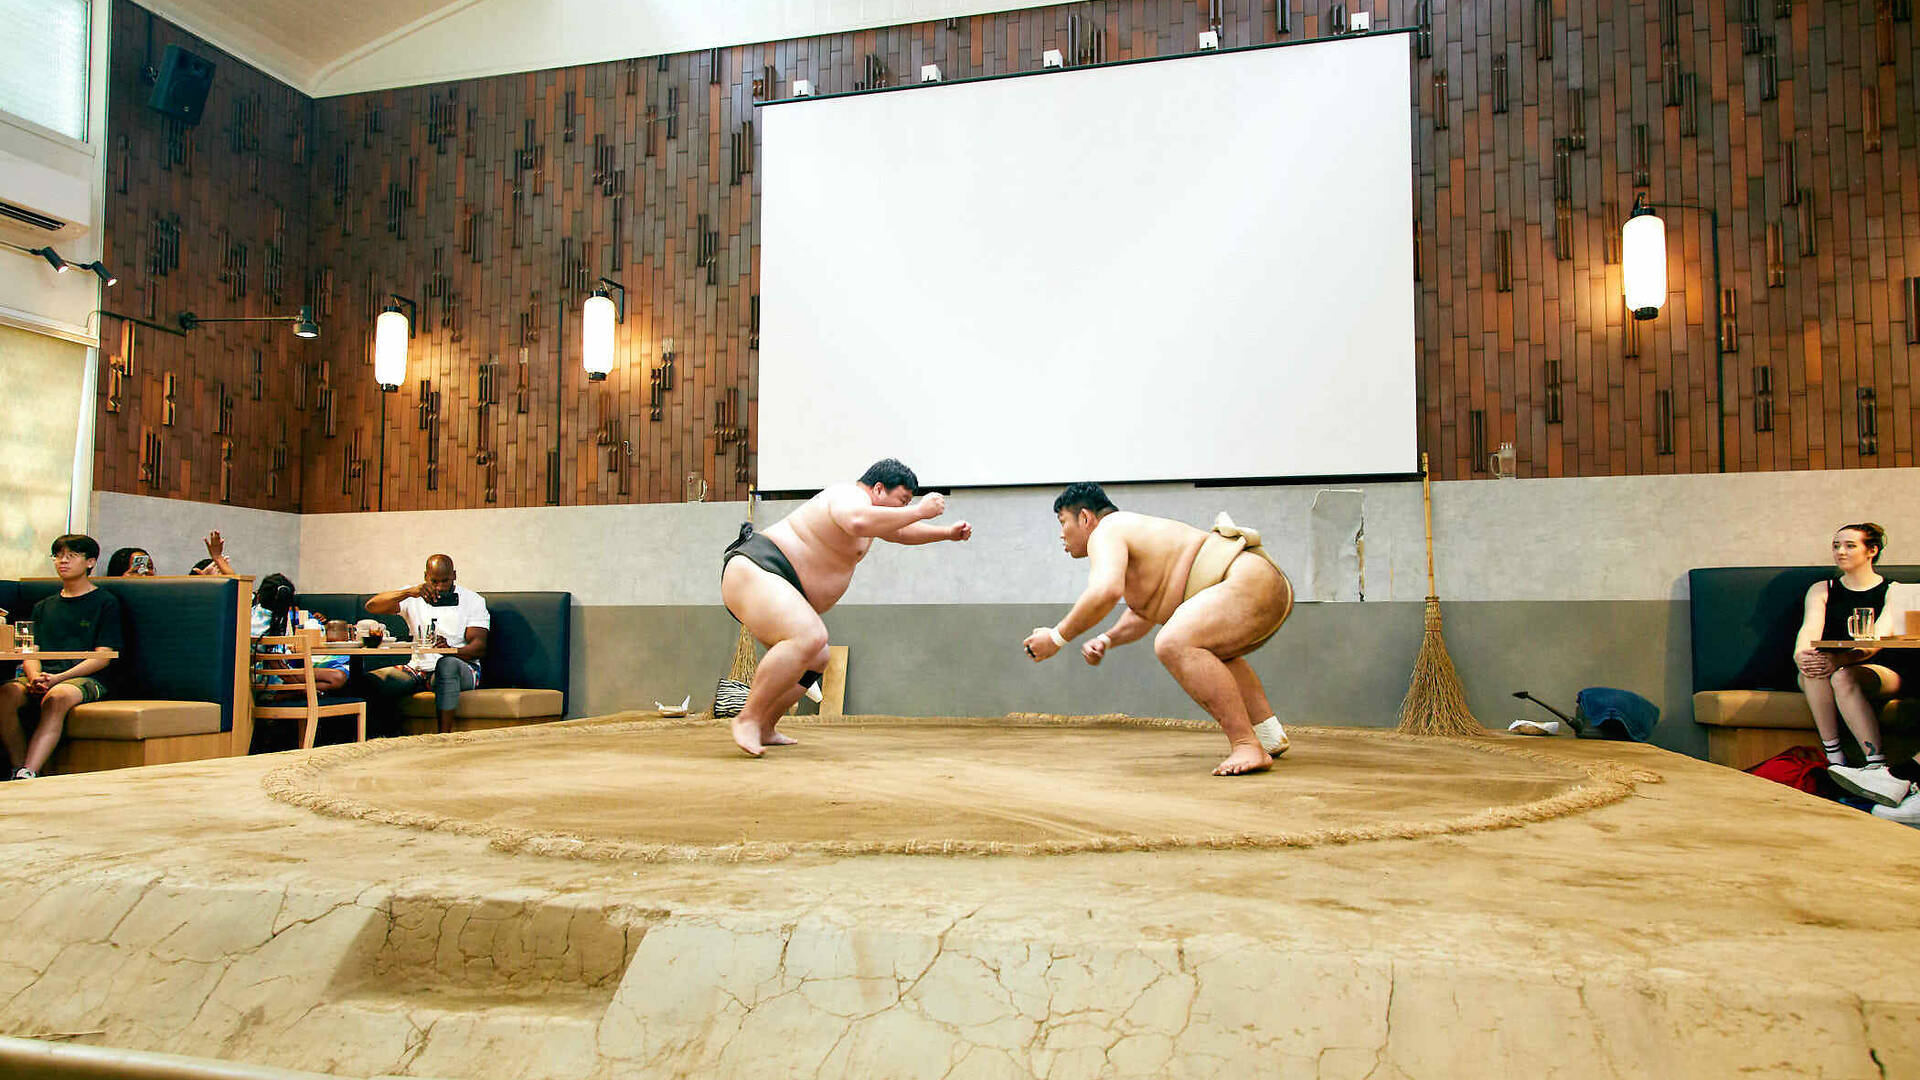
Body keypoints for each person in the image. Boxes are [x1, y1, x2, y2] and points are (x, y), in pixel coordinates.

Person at [1022, 483, 1293, 776]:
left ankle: (1245, 744)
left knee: (1174, 643)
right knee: (1205, 648)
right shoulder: (1134, 538)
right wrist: (1107, 638)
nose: (1061, 534)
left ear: (1085, 518)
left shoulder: (1107, 530)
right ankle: (1267, 735)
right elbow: (1144, 613)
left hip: (1244, 579)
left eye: (1063, 522)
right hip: (1260, 583)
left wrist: (1056, 637)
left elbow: (1105, 591)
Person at [721, 458, 970, 756]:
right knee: (809, 637)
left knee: (817, 657)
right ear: (878, 489)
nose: (905, 509)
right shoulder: (848, 496)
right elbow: (857, 521)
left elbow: (901, 532)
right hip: (758, 569)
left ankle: (764, 725)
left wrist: (946, 533)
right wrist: (919, 510)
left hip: (776, 581)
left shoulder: (873, 517)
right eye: (902, 500)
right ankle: (747, 719)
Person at [1790, 523, 1913, 772]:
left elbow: (1876, 640)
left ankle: (1876, 765)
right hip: (1831, 666)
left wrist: (1840, 660)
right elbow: (1809, 629)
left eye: (1850, 545)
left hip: (1880, 668)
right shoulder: (1822, 589)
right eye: (1836, 546)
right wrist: (1801, 656)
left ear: (1872, 550)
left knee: (1843, 677)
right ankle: (1835, 758)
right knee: (1813, 670)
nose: (1840, 552)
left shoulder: (1895, 590)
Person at [1, 535, 123, 780]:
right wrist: (35, 677)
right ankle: (17, 767)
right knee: (6, 694)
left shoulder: (106, 602)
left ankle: (30, 770)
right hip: (43, 674)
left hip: (84, 677)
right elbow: (28, 650)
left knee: (57, 697)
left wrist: (58, 678)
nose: (62, 561)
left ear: (90, 562)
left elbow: (103, 657)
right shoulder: (41, 606)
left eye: (71, 556)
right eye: (57, 556)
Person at [365, 555, 489, 735]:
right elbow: (372, 606)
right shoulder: (414, 596)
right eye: (434, 581)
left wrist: (449, 650)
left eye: (445, 581)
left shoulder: (472, 600)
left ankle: (443, 738)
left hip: (461, 668)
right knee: (372, 681)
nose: (439, 587)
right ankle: (385, 738)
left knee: (446, 665)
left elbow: (478, 648)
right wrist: (408, 592)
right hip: (419, 669)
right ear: (425, 576)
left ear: (454, 575)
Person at [251, 573, 346, 695]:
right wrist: (304, 691)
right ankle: (287, 696)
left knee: (337, 676)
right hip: (272, 682)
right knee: (338, 677)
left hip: (258, 679)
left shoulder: (250, 613)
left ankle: (295, 693)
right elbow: (277, 667)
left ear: (259, 596)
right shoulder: (276, 623)